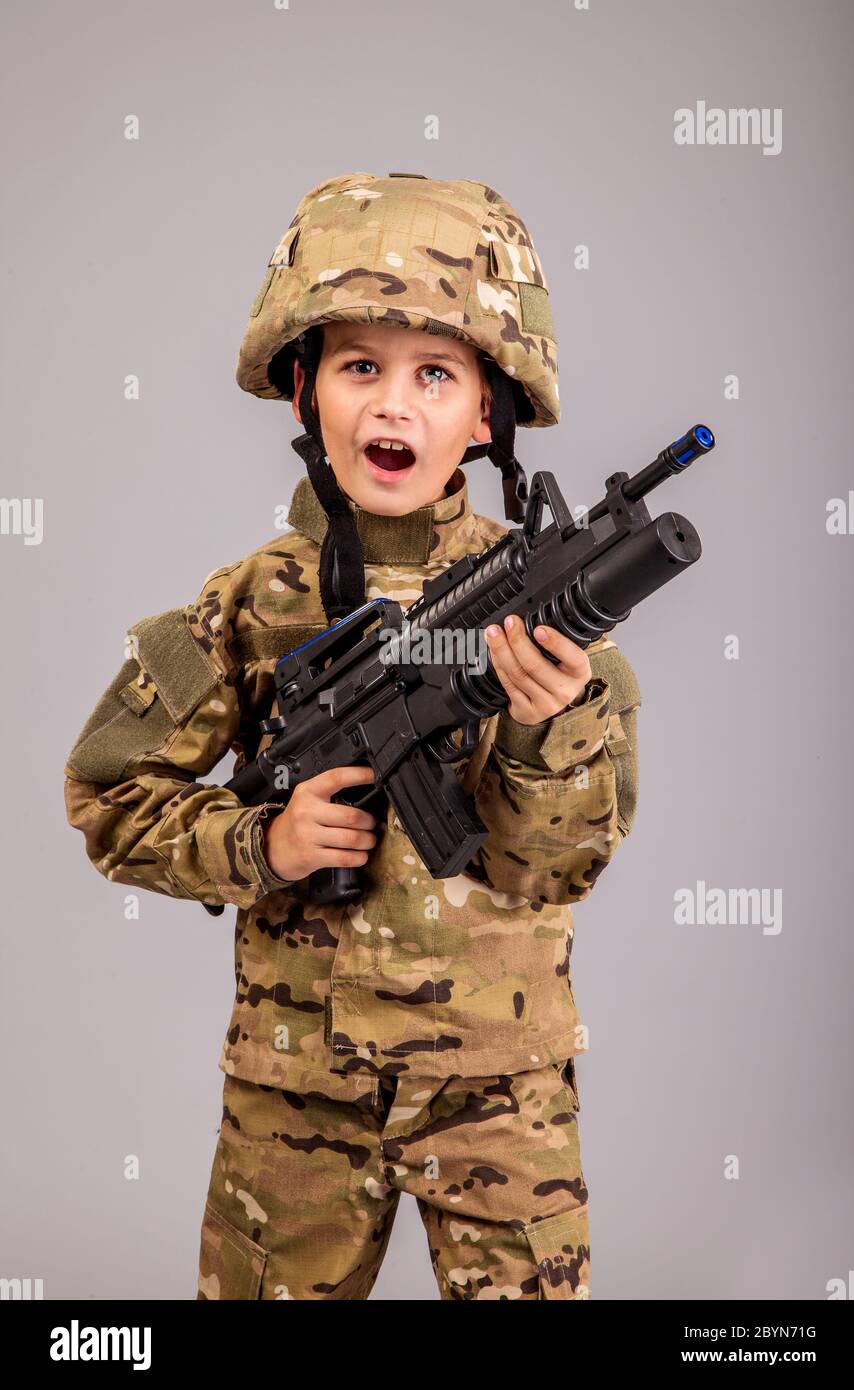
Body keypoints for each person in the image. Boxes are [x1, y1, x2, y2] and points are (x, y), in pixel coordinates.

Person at [64, 171, 641, 1300]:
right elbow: (110, 796)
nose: (392, 406)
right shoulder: (246, 603)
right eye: (357, 366)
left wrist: (543, 726)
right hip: (295, 1089)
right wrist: (261, 846)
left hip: (498, 1089)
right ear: (301, 393)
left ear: (488, 412)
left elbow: (555, 867)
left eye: (435, 374)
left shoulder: (550, 621)